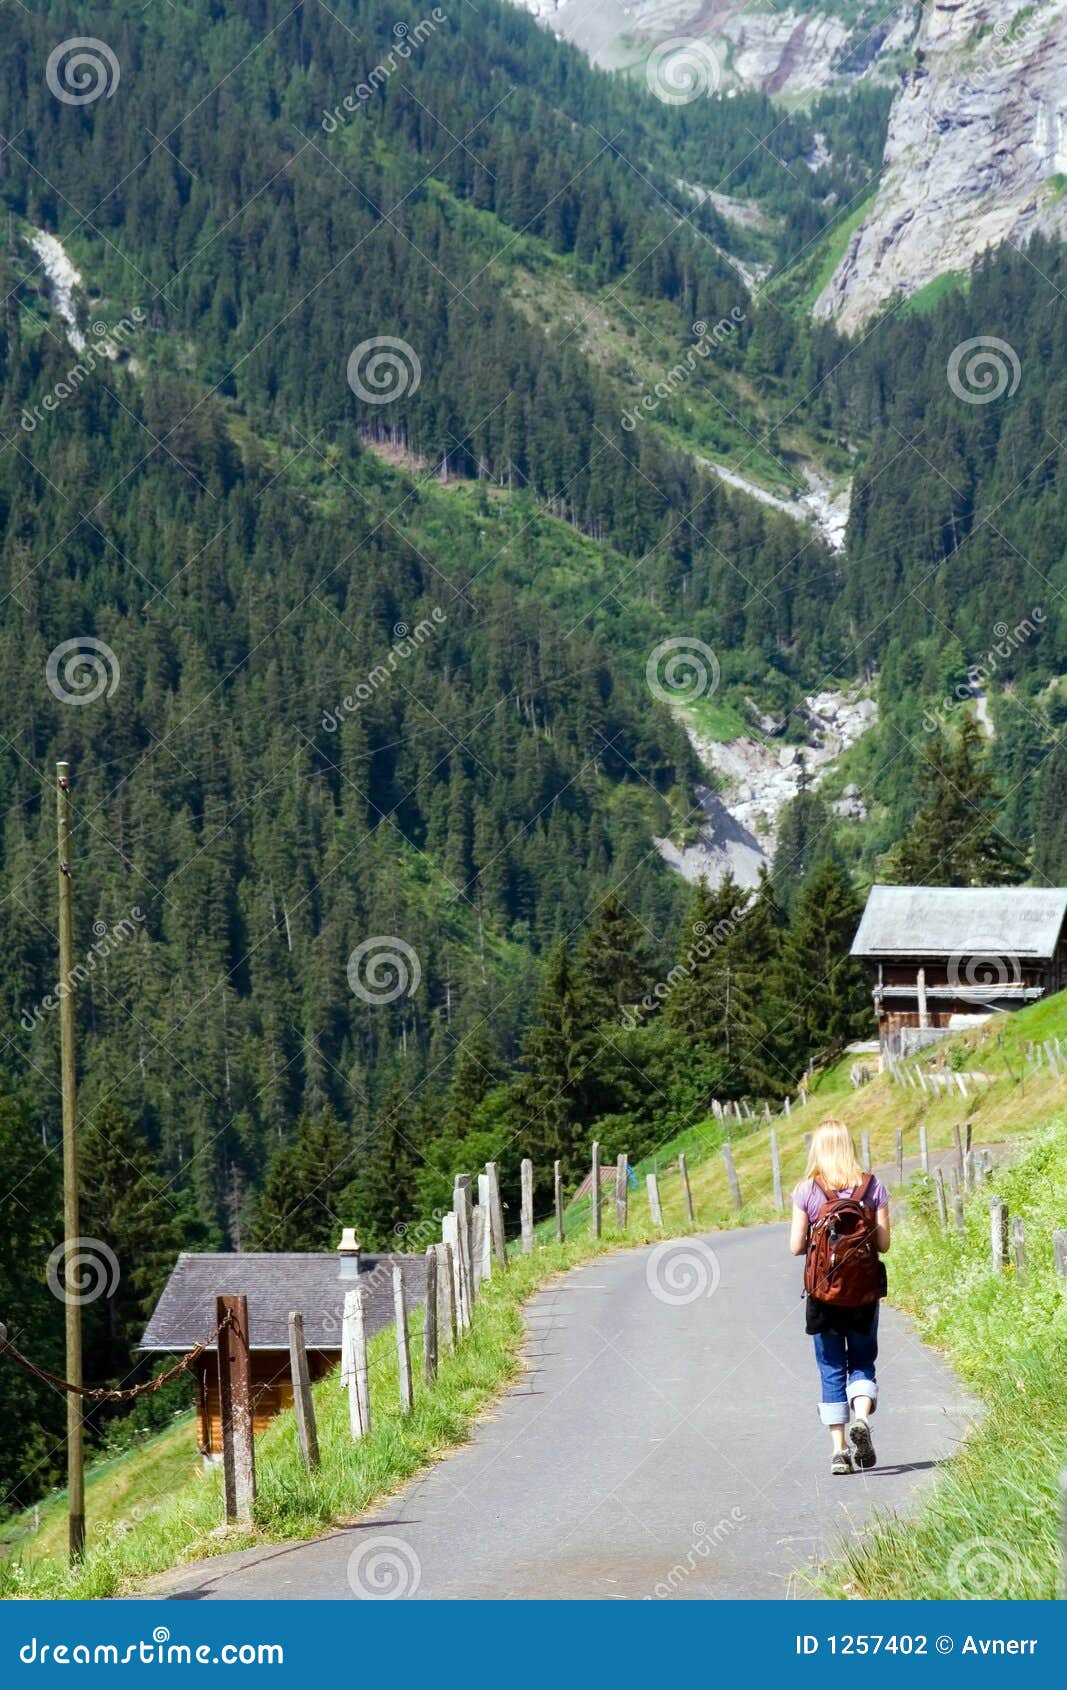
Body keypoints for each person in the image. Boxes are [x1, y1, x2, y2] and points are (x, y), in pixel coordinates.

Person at [789, 1119, 890, 1475]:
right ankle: (861, 1416)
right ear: (849, 1146)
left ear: (817, 1148)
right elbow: (883, 1244)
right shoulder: (872, 1186)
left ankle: (839, 1451)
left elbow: (795, 1247)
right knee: (863, 1361)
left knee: (831, 1367)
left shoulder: (807, 1190)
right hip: (863, 1294)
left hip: (823, 1295)